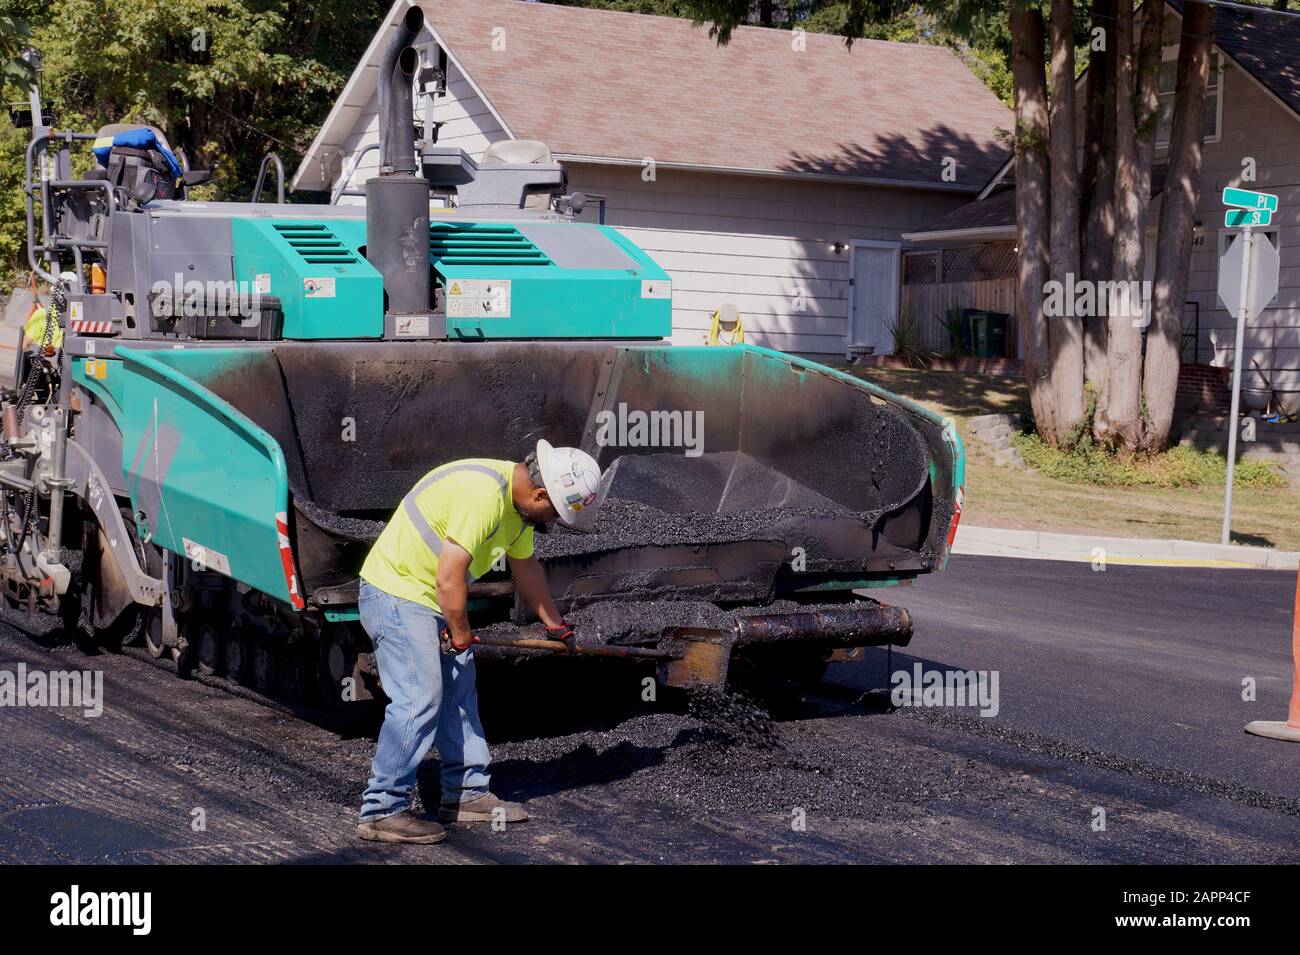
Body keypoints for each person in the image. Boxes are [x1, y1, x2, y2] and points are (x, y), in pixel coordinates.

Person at [354, 439, 602, 844]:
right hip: (397, 594)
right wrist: (462, 634)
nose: (552, 520)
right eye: (554, 511)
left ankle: (466, 795)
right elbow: (450, 577)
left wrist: (555, 624)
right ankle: (382, 809)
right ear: (540, 493)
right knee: (420, 697)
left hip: (430, 596)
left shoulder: (518, 512)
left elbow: (527, 569)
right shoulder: (483, 494)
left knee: (459, 691)